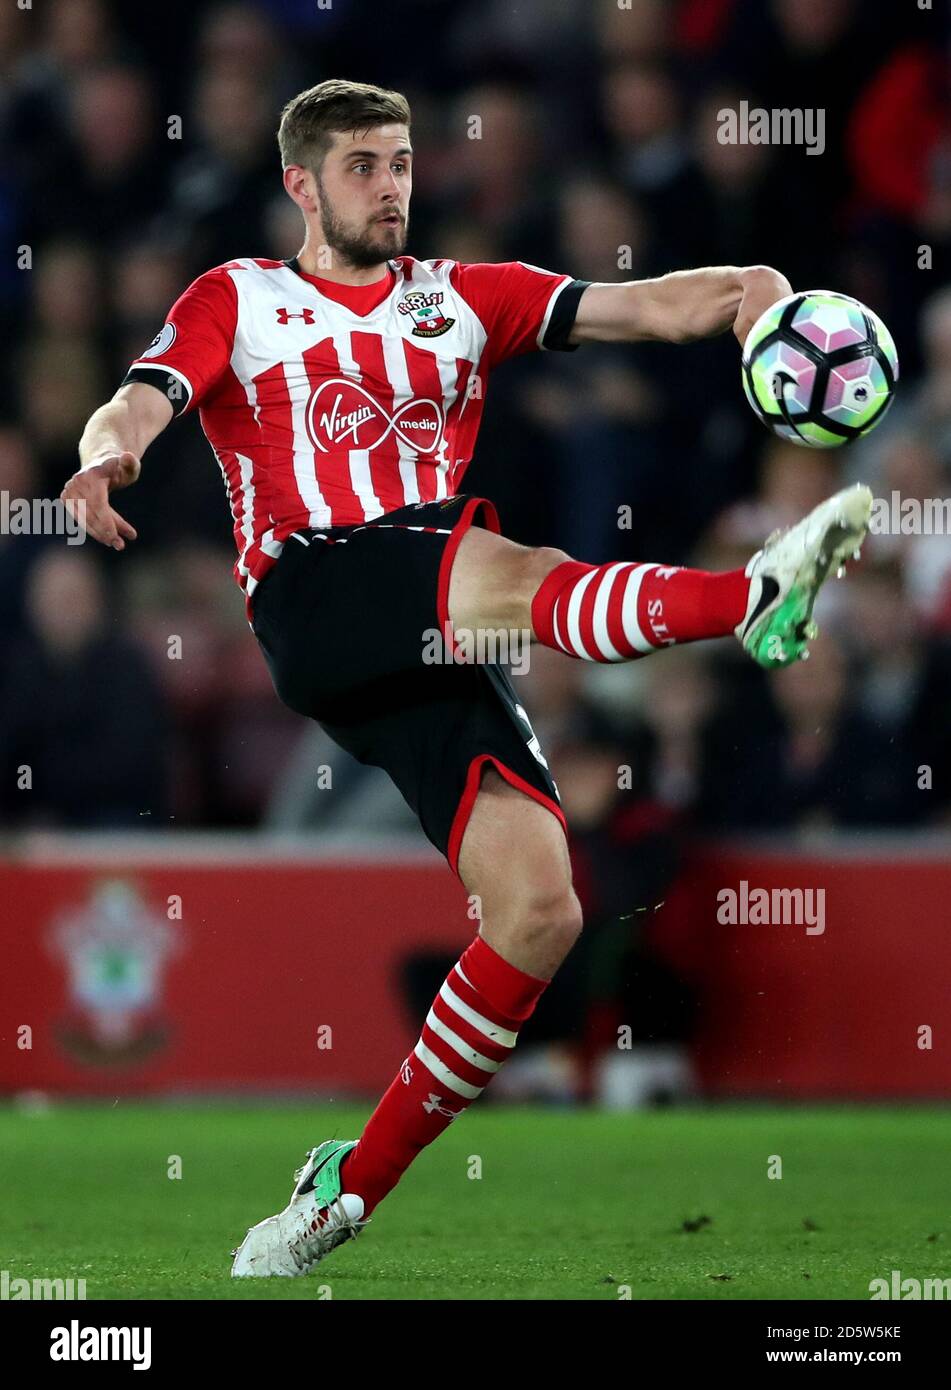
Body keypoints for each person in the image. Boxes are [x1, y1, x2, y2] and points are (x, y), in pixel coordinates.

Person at [62, 78, 873, 1277]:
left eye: (399, 162)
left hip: (434, 622)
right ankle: (750, 604)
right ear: (302, 184)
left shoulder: (460, 299)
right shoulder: (241, 297)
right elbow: (141, 396)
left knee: (541, 908)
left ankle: (337, 1194)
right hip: (313, 592)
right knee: (518, 566)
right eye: (361, 167)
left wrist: (750, 295)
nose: (390, 185)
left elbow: (637, 309)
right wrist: (103, 455)